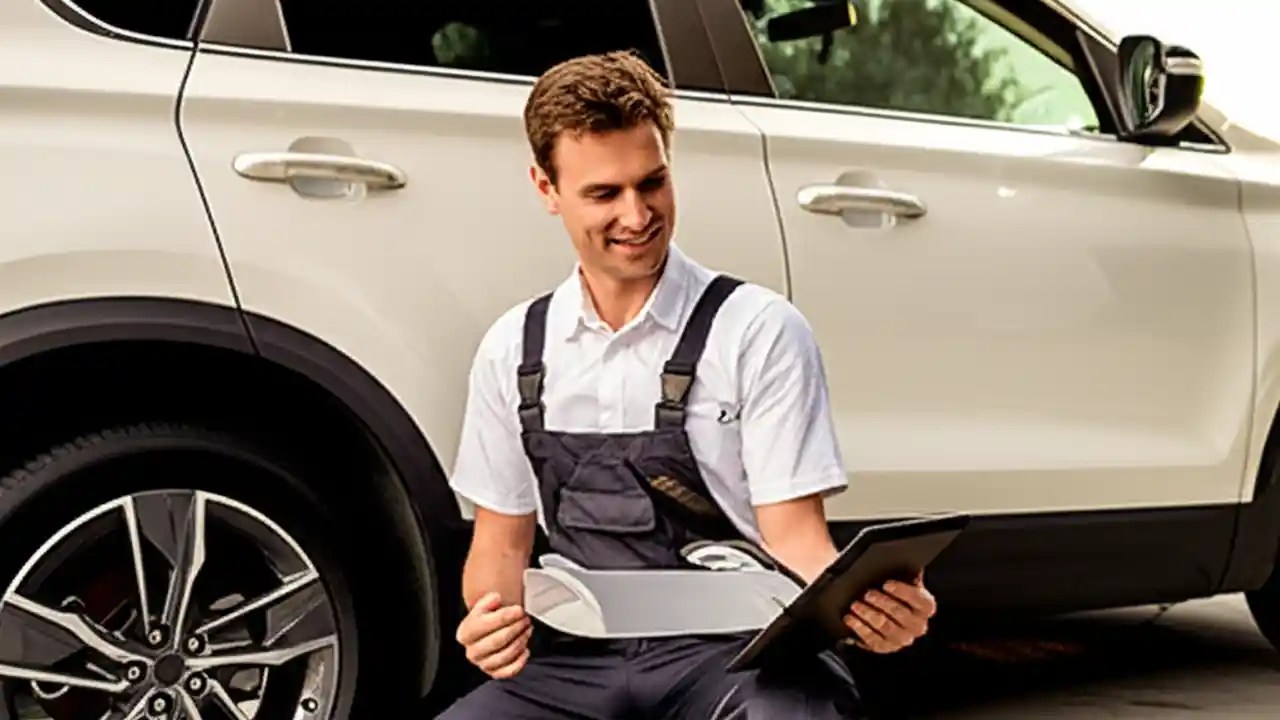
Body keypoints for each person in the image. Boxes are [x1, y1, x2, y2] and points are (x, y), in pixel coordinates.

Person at [437, 50, 936, 719]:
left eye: (653, 183)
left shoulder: (757, 330)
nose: (637, 215)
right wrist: (488, 621)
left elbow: (795, 538)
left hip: (735, 658)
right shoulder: (514, 348)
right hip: (570, 665)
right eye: (604, 194)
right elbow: (501, 546)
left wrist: (864, 609)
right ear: (546, 188)